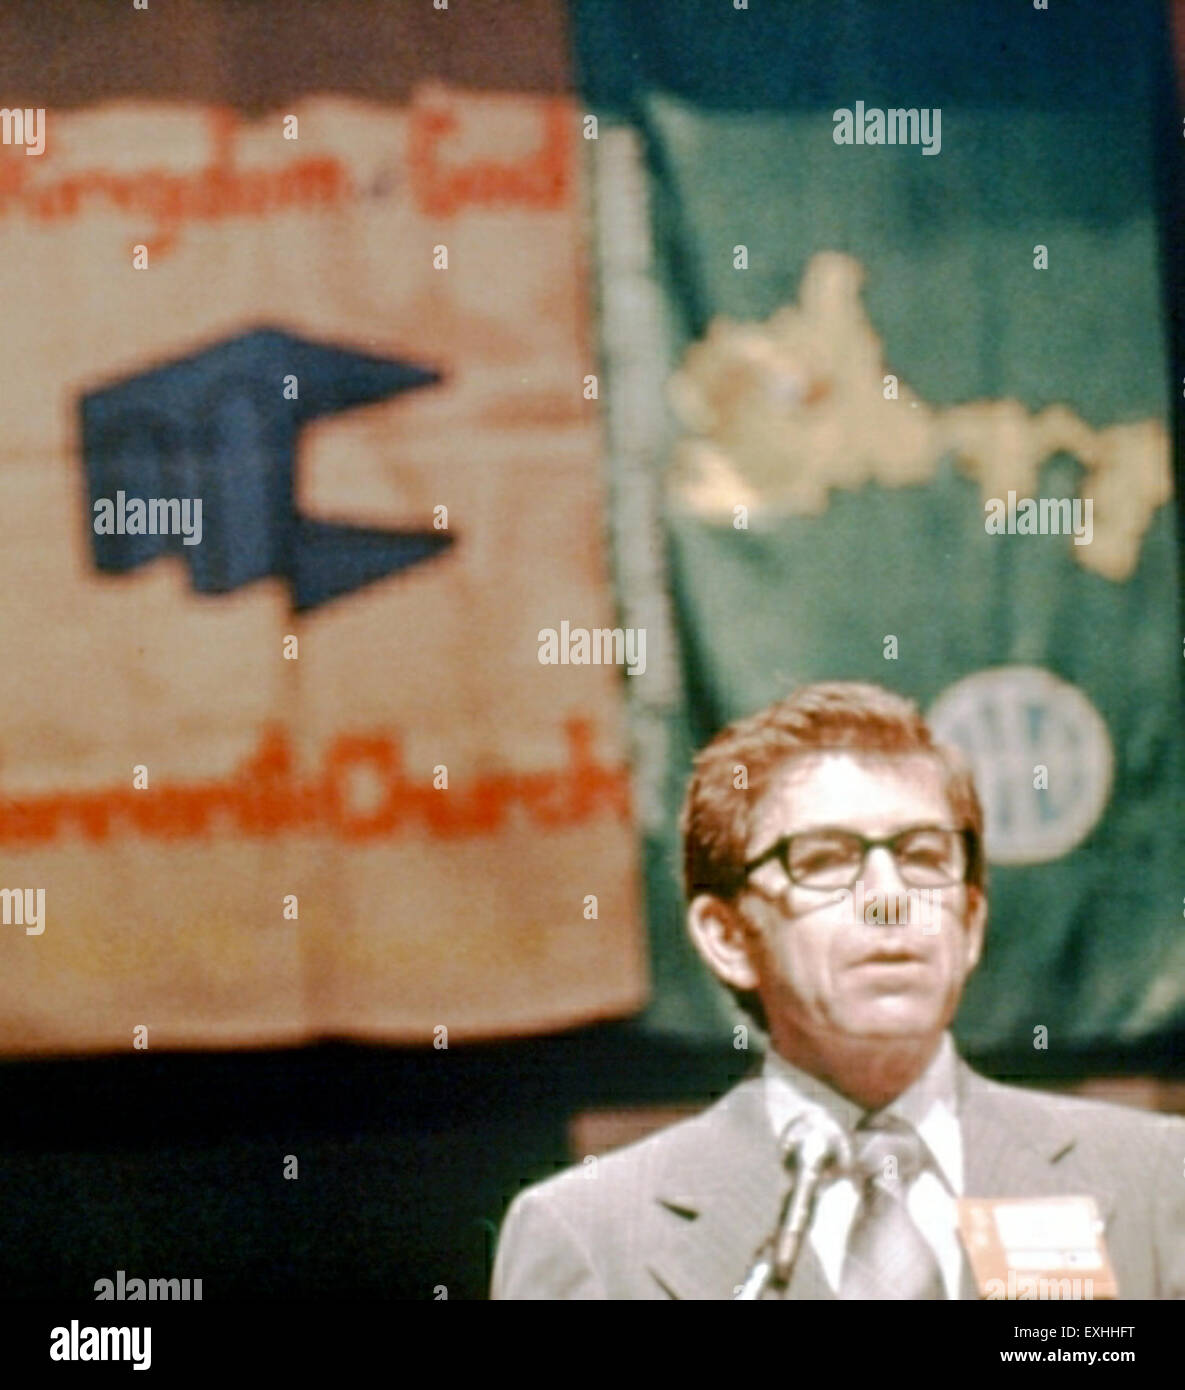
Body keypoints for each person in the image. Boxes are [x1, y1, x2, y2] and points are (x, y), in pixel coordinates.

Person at [490, 681, 1185, 1299]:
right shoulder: (593, 1235)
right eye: (823, 860)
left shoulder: (1156, 1182)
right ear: (727, 936)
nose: (887, 899)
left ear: (969, 923)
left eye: (921, 857)